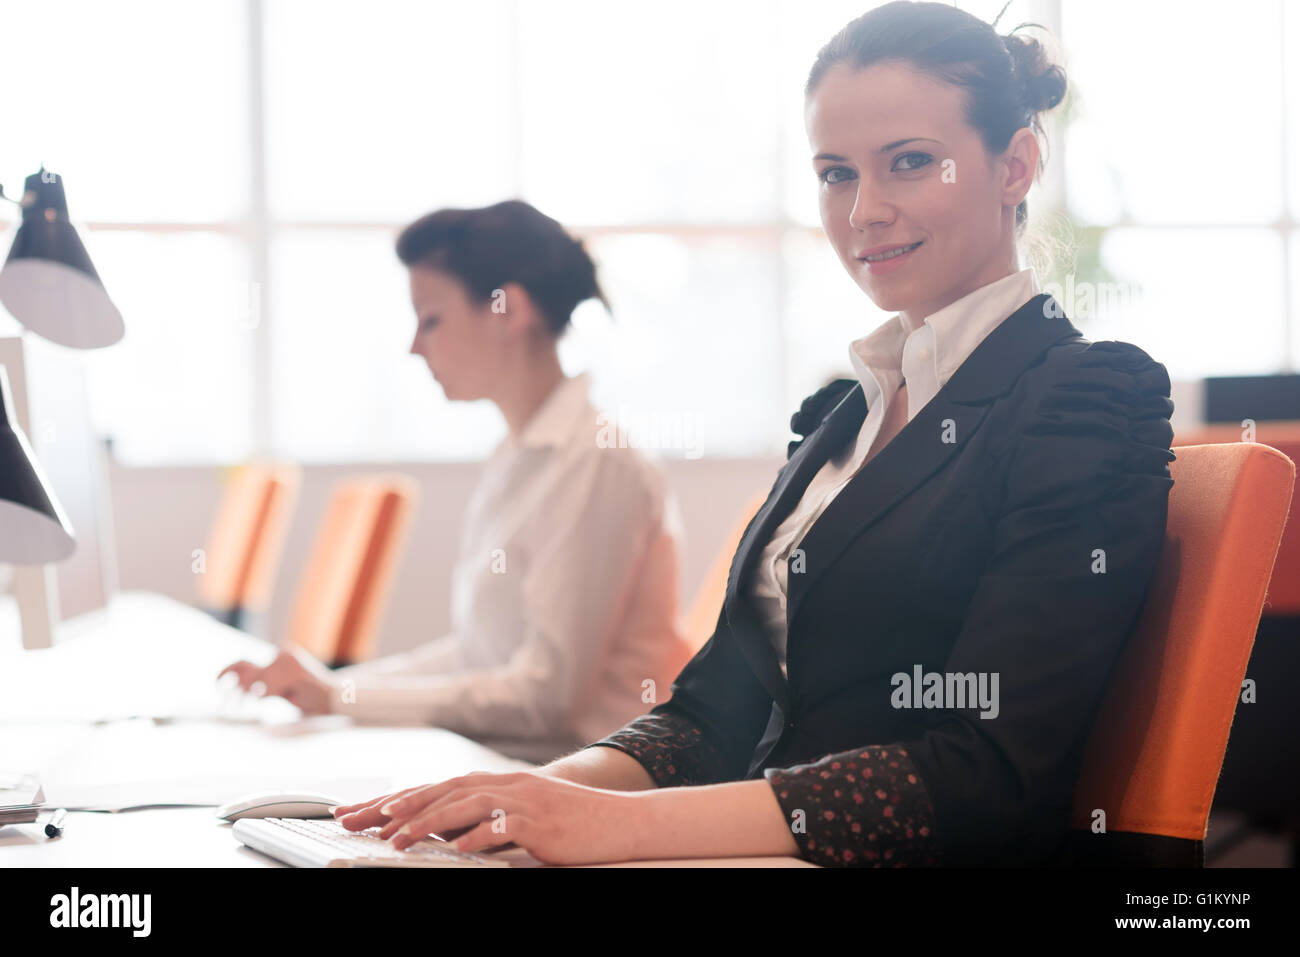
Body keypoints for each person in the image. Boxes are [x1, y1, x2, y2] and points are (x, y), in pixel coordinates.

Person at [331, 1, 1175, 866]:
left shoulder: (1083, 399)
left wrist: (607, 826)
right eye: (836, 173)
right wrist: (527, 798)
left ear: (1016, 166)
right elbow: (707, 715)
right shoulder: (845, 416)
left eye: (911, 163)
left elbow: (986, 772)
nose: (864, 210)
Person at [219, 200, 687, 764]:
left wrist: (343, 695)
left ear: (508, 310)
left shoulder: (597, 464)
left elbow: (545, 698)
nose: (415, 347)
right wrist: (332, 690)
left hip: (576, 783)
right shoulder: (516, 456)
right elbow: (477, 655)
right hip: (508, 762)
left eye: (431, 319)